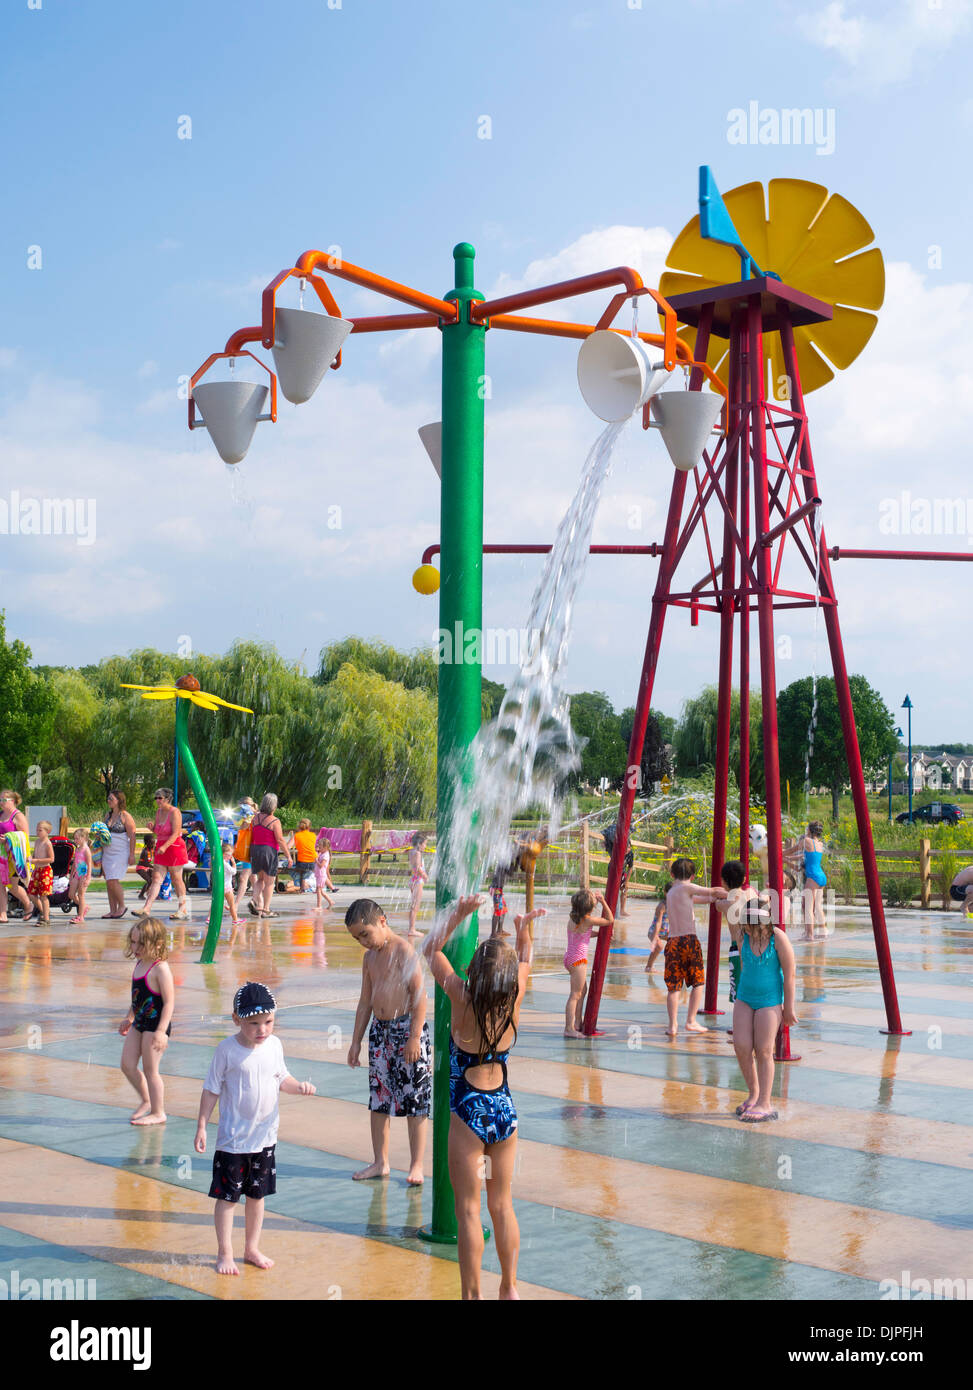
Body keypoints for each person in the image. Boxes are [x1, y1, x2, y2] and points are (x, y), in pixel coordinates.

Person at [423, 896, 545, 1301]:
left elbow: (431, 950)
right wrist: (523, 928)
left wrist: (459, 914)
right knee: (502, 1205)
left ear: (474, 971)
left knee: (470, 1211)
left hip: (468, 1113)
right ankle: (509, 1287)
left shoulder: (461, 997)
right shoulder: (516, 997)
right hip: (505, 1112)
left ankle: (471, 1295)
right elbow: (526, 958)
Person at [195, 981, 315, 1275]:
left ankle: (251, 1248)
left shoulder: (274, 1045)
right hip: (234, 1143)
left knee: (257, 1196)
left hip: (264, 1140)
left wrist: (297, 1087)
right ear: (237, 1020)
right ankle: (225, 1252)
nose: (262, 1029)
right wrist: (201, 1125)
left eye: (268, 1021)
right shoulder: (226, 1051)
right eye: (254, 1023)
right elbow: (211, 1090)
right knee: (227, 1199)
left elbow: (281, 1078)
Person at [345, 899, 430, 1185]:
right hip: (380, 1033)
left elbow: (419, 996)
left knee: (414, 1100)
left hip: (407, 1032)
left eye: (365, 934)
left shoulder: (404, 952)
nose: (363, 942)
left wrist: (415, 1036)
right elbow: (365, 1001)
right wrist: (356, 1041)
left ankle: (417, 1165)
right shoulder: (369, 959)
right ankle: (380, 1162)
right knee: (379, 1099)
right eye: (357, 938)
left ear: (382, 920)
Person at [727, 900, 798, 1122]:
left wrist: (789, 1007)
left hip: (770, 1000)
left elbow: (790, 974)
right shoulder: (742, 935)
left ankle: (765, 1103)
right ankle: (753, 1094)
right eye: (745, 925)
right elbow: (728, 907)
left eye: (751, 925)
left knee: (764, 1049)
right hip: (745, 997)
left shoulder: (779, 938)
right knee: (741, 1046)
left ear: (764, 923)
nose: (747, 929)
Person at [119, 917, 174, 1126]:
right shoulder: (140, 963)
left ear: (158, 943)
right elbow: (138, 997)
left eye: (141, 944)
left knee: (151, 1070)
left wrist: (161, 1031)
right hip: (140, 1021)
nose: (135, 948)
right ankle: (146, 1100)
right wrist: (129, 1017)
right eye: (133, 942)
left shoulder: (161, 969)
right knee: (127, 1065)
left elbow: (169, 1003)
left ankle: (159, 1112)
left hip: (156, 1025)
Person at [663, 858, 727, 1036]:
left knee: (673, 987)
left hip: (672, 942)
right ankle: (690, 1021)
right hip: (689, 941)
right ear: (692, 876)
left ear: (672, 874)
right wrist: (731, 892)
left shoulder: (672, 892)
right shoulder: (687, 887)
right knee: (698, 982)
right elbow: (712, 891)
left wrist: (712, 898)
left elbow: (702, 898)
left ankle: (672, 1025)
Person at [713, 860, 765, 1009]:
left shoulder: (724, 904)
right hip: (757, 944)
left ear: (723, 881)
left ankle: (739, 1025)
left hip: (737, 948)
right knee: (756, 983)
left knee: (739, 990)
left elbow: (716, 901)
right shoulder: (751, 894)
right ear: (744, 879)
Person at [563, 888, 613, 1039]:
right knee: (575, 994)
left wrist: (598, 934)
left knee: (581, 991)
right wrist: (604, 901)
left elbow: (583, 934)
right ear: (590, 908)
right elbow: (610, 920)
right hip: (579, 960)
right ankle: (569, 1028)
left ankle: (577, 1022)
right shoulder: (589, 920)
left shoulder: (574, 919)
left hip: (569, 958)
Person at [139, 789, 190, 922]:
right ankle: (146, 908)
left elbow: (175, 832)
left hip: (174, 847)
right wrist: (152, 829)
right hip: (161, 846)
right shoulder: (159, 812)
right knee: (156, 879)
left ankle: (182, 908)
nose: (157, 800)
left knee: (176, 878)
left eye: (159, 798)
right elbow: (159, 831)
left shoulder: (175, 812)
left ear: (167, 799)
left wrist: (165, 846)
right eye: (155, 798)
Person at [250, 795, 291, 918]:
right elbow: (280, 840)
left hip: (256, 850)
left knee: (260, 879)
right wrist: (288, 856)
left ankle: (254, 901)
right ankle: (266, 910)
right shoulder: (274, 820)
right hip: (269, 851)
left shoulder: (255, 818)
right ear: (273, 805)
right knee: (269, 882)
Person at [101, 789, 137, 920]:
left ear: (119, 800)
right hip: (107, 852)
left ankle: (122, 906)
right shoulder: (107, 815)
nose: (109, 801)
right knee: (108, 881)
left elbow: (132, 835)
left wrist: (132, 854)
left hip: (120, 852)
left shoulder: (125, 816)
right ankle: (112, 910)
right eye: (108, 798)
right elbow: (103, 832)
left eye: (111, 799)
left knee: (113, 879)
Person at [0, 790, 32, 921]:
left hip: (14, 857)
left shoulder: (18, 816)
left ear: (12, 801)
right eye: (0, 800)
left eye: (3, 800)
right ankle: (2, 914)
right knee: (1, 884)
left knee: (12, 887)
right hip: (2, 856)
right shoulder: (1, 814)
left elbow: (25, 837)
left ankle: (29, 905)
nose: (1, 802)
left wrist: (8, 839)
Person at [799, 821, 828, 940]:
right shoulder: (820, 843)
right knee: (818, 906)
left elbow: (791, 851)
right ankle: (823, 931)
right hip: (821, 876)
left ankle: (809, 934)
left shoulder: (805, 841)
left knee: (808, 907)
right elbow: (811, 859)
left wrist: (779, 854)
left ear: (810, 830)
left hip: (813, 876)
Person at [603, 821, 635, 917]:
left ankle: (622, 910)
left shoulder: (630, 854)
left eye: (629, 847)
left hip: (623, 872)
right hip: (613, 871)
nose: (627, 849)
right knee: (613, 889)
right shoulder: (616, 852)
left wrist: (627, 881)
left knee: (625, 889)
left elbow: (630, 867)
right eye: (626, 847)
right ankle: (610, 909)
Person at [28, 820, 55, 924]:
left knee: (43, 895)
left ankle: (46, 919)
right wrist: (31, 858)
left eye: (40, 830)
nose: (37, 832)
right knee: (31, 893)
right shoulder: (37, 841)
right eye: (37, 829)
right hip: (37, 870)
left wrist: (37, 861)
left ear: (47, 831)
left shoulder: (48, 843)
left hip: (45, 871)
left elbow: (51, 859)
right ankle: (43, 912)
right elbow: (35, 855)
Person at [234, 798, 256, 918]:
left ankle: (236, 904)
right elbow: (241, 828)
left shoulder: (256, 816)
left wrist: (249, 817)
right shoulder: (245, 816)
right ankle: (258, 902)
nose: (242, 807)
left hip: (251, 850)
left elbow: (247, 827)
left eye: (244, 805)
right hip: (247, 849)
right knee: (253, 879)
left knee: (243, 878)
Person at [69, 828, 93, 924]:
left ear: (83, 838)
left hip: (84, 874)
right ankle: (84, 907)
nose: (75, 841)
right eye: (74, 839)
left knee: (81, 895)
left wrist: (88, 878)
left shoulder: (86, 850)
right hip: (77, 873)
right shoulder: (78, 849)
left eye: (77, 838)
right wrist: (71, 875)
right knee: (71, 894)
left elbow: (89, 864)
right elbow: (75, 863)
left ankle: (80, 917)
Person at [645, 886, 670, 973]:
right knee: (659, 947)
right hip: (654, 931)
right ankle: (648, 967)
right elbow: (658, 923)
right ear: (665, 893)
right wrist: (655, 936)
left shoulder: (673, 904)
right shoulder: (662, 906)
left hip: (665, 932)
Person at [407, 832, 428, 937]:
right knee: (415, 906)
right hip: (418, 880)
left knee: (413, 905)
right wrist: (425, 876)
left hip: (413, 880)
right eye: (425, 844)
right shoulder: (418, 853)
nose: (425, 846)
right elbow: (417, 868)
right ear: (419, 844)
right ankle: (412, 929)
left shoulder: (411, 851)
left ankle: (412, 928)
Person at [289, 818, 316, 892]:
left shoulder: (297, 835)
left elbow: (287, 847)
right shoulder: (313, 835)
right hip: (312, 863)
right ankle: (301, 885)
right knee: (303, 873)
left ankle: (297, 884)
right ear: (309, 827)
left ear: (299, 826)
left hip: (302, 863)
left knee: (286, 865)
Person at [222, 839, 241, 927]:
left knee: (215, 903)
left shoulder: (218, 862)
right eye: (228, 855)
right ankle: (235, 919)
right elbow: (233, 872)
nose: (230, 857)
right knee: (232, 905)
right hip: (227, 887)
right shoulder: (225, 863)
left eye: (231, 855)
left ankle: (209, 918)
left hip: (220, 886)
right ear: (223, 854)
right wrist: (234, 863)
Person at [314, 837, 334, 912]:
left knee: (318, 890)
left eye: (320, 847)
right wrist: (317, 852)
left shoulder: (325, 855)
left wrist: (316, 861)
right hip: (319, 874)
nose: (319, 848)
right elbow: (317, 855)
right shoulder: (322, 853)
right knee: (321, 891)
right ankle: (330, 901)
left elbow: (321, 865)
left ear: (325, 847)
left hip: (321, 874)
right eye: (318, 846)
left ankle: (319, 906)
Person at [135, 833, 155, 899]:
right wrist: (154, 867)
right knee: (149, 881)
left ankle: (148, 891)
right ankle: (141, 894)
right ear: (147, 843)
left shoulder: (152, 850)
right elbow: (145, 863)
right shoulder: (145, 852)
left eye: (153, 843)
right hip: (140, 868)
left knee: (154, 878)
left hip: (147, 867)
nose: (153, 845)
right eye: (151, 843)